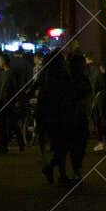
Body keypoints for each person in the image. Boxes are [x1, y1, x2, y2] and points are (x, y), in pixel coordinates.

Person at [36, 55, 76, 185]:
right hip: (61, 115)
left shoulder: (45, 76)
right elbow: (68, 95)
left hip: (49, 117)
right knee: (64, 147)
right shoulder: (62, 76)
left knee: (59, 146)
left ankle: (60, 174)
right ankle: (51, 169)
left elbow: (41, 98)